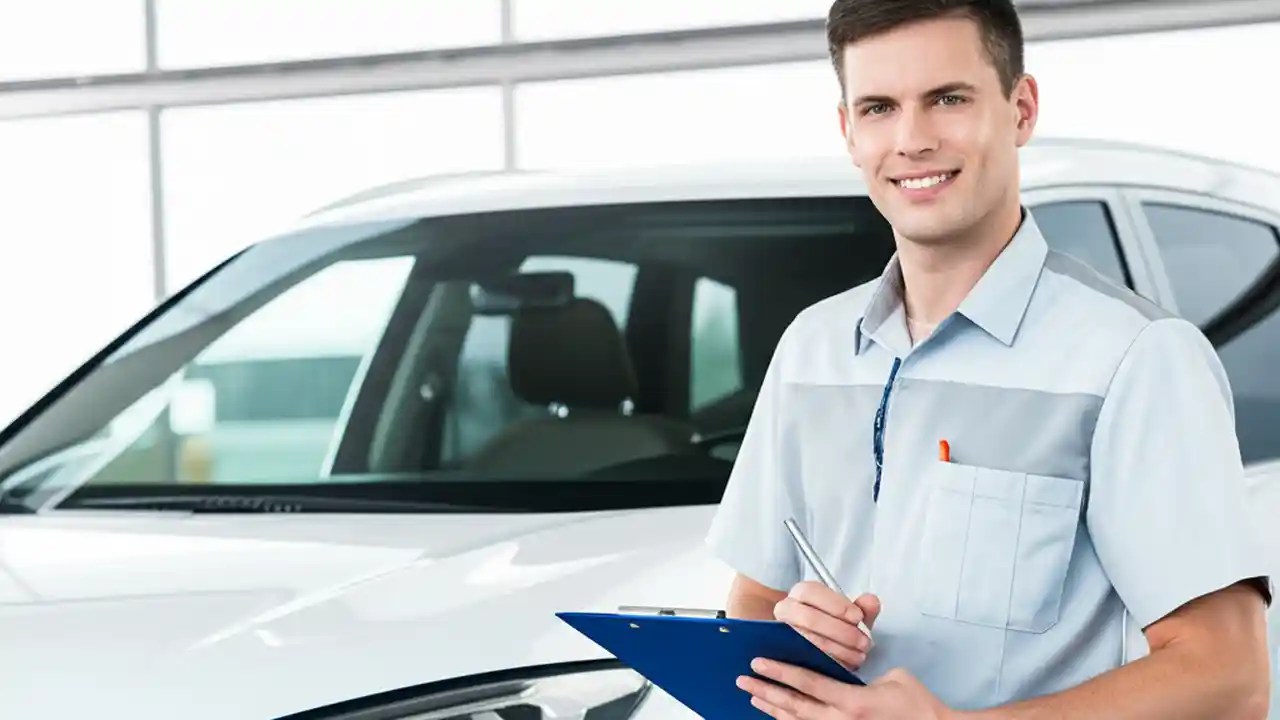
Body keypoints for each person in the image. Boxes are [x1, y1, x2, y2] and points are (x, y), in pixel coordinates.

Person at [704, 1, 1274, 718]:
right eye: (879, 107)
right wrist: (797, 633)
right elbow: (754, 600)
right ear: (849, 132)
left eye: (947, 99)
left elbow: (1229, 678)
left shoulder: (1134, 359)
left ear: (1021, 109)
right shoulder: (811, 349)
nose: (911, 140)